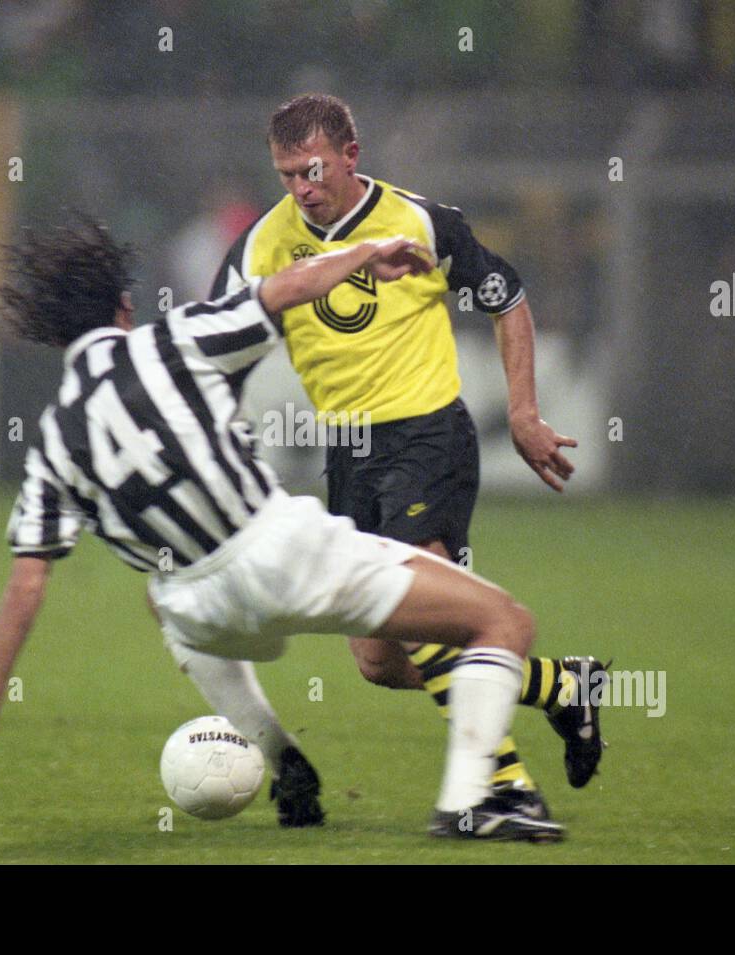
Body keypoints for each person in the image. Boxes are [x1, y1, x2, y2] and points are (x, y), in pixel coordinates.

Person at [0, 216, 586, 841]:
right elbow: (285, 289)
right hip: (283, 559)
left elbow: (27, 579)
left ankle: (281, 758)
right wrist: (366, 254)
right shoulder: (172, 341)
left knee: (161, 591)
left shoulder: (55, 435)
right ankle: (479, 799)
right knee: (501, 621)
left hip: (202, 616)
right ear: (123, 305)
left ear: (54, 334)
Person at [202, 93, 604, 819]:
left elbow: (506, 298)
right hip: (348, 457)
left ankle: (501, 789)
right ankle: (563, 687)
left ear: (351, 156)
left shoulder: (423, 221)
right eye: (287, 173)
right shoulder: (262, 244)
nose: (301, 187)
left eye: (313, 168)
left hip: (427, 436)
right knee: (379, 661)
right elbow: (213, 348)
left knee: (426, 616)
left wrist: (521, 411)